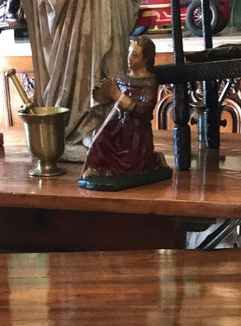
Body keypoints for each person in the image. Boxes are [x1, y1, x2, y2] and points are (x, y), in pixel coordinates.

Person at [22, 0, 139, 160]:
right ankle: (84, 126)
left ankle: (108, 126)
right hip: (76, 10)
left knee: (112, 59)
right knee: (81, 50)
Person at [79, 36, 172, 191]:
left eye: (135, 55)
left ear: (146, 59)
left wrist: (118, 96)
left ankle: (150, 160)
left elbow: (143, 110)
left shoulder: (149, 83)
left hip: (135, 131)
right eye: (130, 53)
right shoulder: (123, 78)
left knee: (127, 158)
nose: (130, 58)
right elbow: (110, 101)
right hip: (118, 123)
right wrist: (104, 94)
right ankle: (97, 168)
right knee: (99, 138)